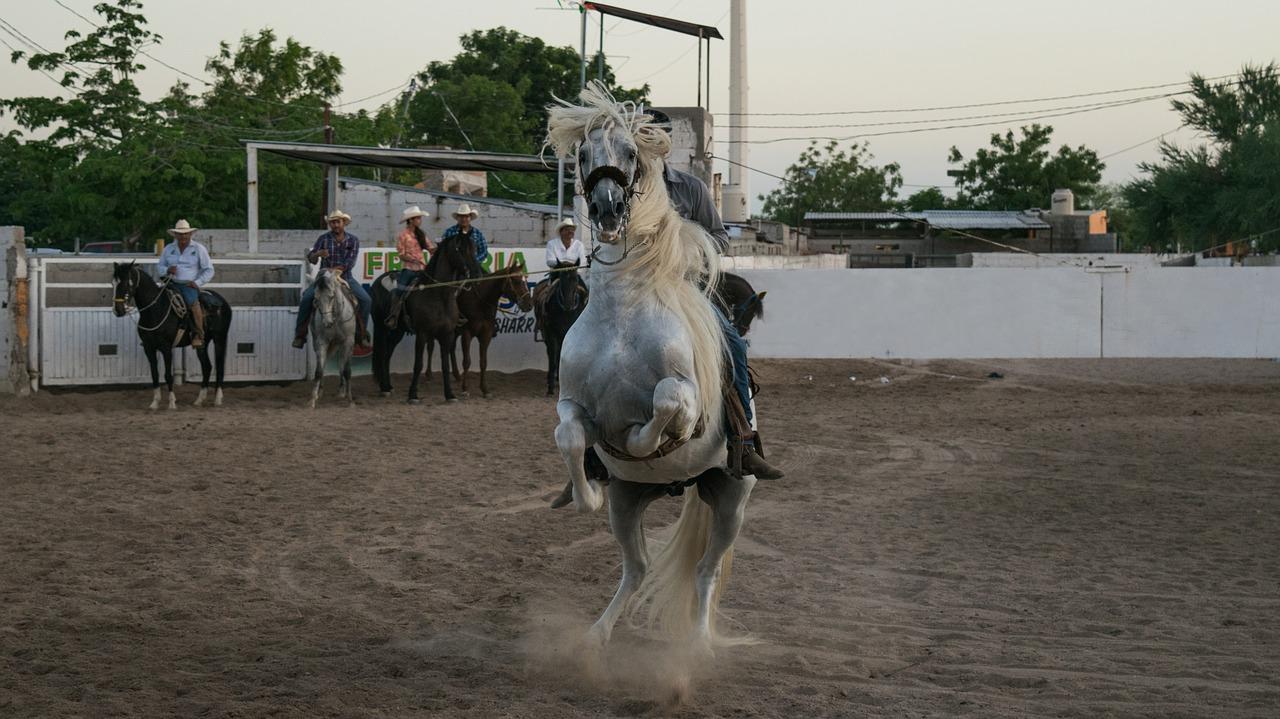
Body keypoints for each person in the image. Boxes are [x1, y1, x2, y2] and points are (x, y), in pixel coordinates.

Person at [550, 111, 784, 508]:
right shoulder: (623, 183)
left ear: (660, 141)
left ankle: (744, 439)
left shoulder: (689, 187)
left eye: (655, 133)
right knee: (585, 350)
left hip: (682, 287)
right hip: (626, 288)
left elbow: (720, 239)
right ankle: (589, 457)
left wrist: (685, 247)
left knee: (733, 345)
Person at [292, 210, 371, 349]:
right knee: (306, 298)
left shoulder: (353, 240)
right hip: (325, 278)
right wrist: (317, 254)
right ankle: (300, 334)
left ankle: (360, 333)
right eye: (332, 222)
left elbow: (350, 262)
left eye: (337, 222)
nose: (335, 225)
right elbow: (311, 259)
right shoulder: (323, 239)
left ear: (343, 223)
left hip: (345, 277)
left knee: (366, 300)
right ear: (330, 224)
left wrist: (333, 270)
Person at [156, 219, 214, 348]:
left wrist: (197, 282)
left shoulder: (199, 249)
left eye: (185, 234)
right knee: (157, 301)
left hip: (188, 285)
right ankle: (154, 333)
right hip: (170, 282)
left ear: (190, 234)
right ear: (175, 235)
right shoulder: (168, 249)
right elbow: (159, 266)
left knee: (192, 303)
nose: (183, 236)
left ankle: (198, 334)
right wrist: (167, 270)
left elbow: (209, 269)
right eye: (180, 234)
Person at [386, 205, 434, 328]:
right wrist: (412, 259)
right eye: (418, 218)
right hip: (409, 269)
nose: (420, 220)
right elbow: (401, 255)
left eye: (419, 218)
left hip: (423, 269)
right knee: (400, 290)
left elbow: (430, 248)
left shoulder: (421, 234)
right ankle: (394, 315)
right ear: (411, 220)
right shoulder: (403, 235)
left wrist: (438, 249)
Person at [533, 217, 587, 328]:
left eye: (572, 229)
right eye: (567, 229)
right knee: (545, 294)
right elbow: (550, 261)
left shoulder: (579, 245)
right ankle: (543, 317)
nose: (570, 231)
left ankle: (585, 319)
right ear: (561, 231)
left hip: (573, 274)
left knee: (585, 292)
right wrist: (564, 265)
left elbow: (583, 263)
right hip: (557, 274)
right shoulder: (552, 244)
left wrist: (571, 267)